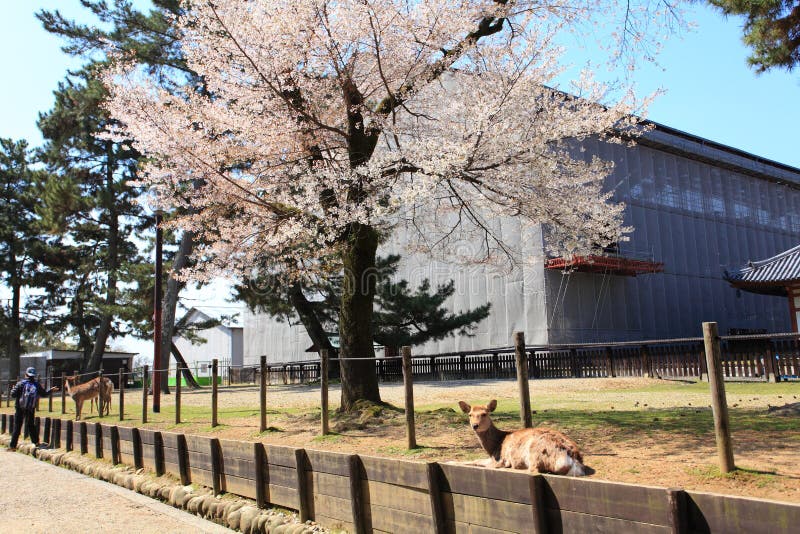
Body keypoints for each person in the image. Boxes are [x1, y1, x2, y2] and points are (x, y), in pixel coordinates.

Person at [7, 367, 58, 451]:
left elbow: (13, 395)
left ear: (26, 374)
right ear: (34, 375)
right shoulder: (36, 384)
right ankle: (36, 442)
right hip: (30, 408)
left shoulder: (20, 384)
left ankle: (12, 446)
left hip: (20, 408)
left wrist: (13, 389)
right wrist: (51, 390)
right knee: (31, 425)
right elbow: (44, 394)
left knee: (17, 427)